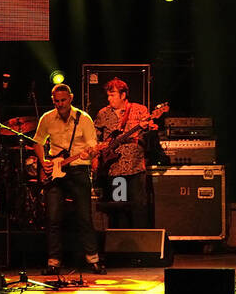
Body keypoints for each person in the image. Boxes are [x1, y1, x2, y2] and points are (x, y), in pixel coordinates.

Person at [35, 83, 104, 275]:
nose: (60, 104)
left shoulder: (84, 119)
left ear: (71, 98)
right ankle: (54, 261)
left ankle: (93, 259)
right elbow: (38, 142)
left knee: (84, 217)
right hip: (55, 172)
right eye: (56, 101)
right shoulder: (47, 118)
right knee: (53, 218)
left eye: (63, 100)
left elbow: (93, 146)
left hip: (78, 170)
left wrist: (88, 154)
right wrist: (43, 161)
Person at [93, 78, 154, 228]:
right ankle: (119, 243)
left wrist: (148, 127)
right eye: (108, 95)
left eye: (112, 95)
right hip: (114, 169)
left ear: (123, 95)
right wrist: (97, 153)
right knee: (118, 207)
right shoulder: (103, 113)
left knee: (138, 207)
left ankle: (139, 244)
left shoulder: (140, 110)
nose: (109, 99)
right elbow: (94, 136)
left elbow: (148, 134)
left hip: (135, 167)